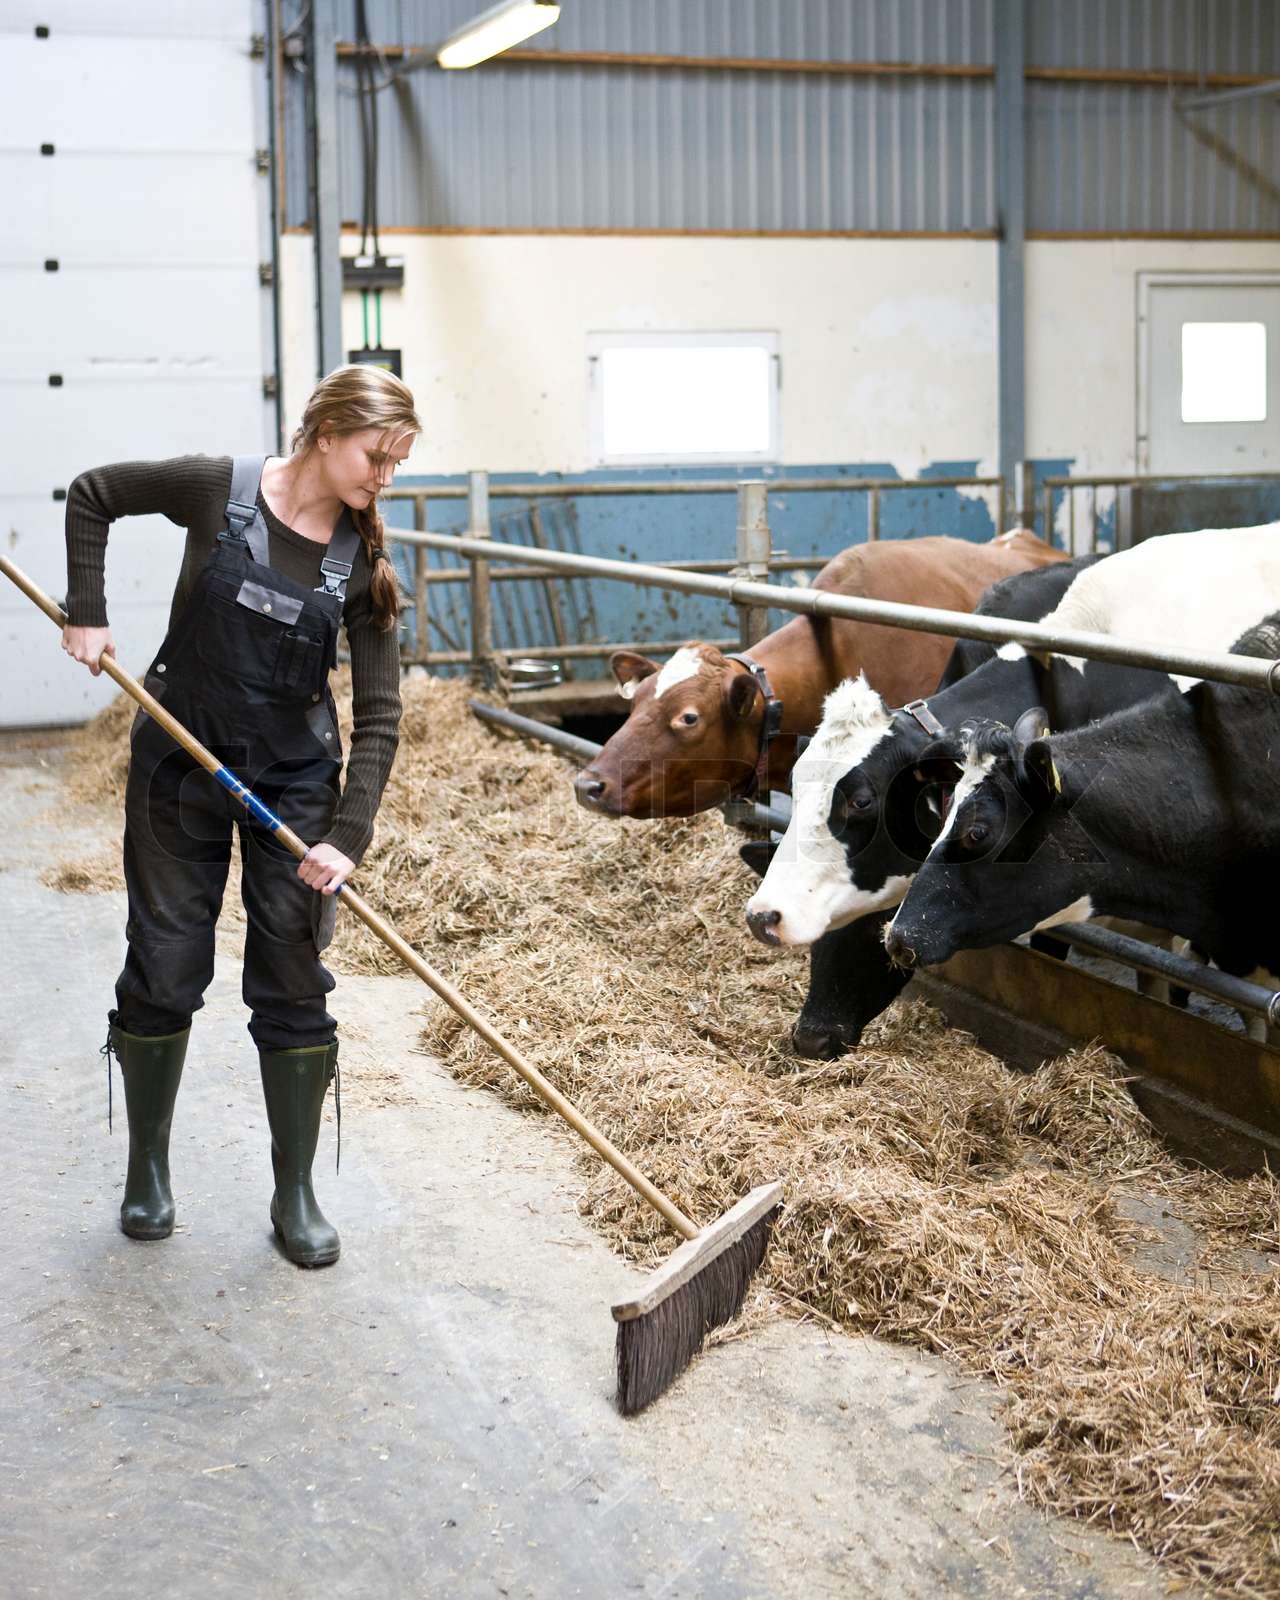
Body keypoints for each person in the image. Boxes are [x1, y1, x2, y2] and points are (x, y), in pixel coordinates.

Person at [61, 365, 421, 1268]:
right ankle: (147, 1172)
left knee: (293, 975)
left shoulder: (365, 567)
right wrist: (89, 612)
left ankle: (294, 1192)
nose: (385, 478)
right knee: (166, 959)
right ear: (326, 432)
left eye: (398, 463)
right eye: (377, 457)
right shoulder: (215, 488)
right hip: (179, 761)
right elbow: (93, 494)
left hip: (294, 784)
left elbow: (379, 716)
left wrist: (346, 837)